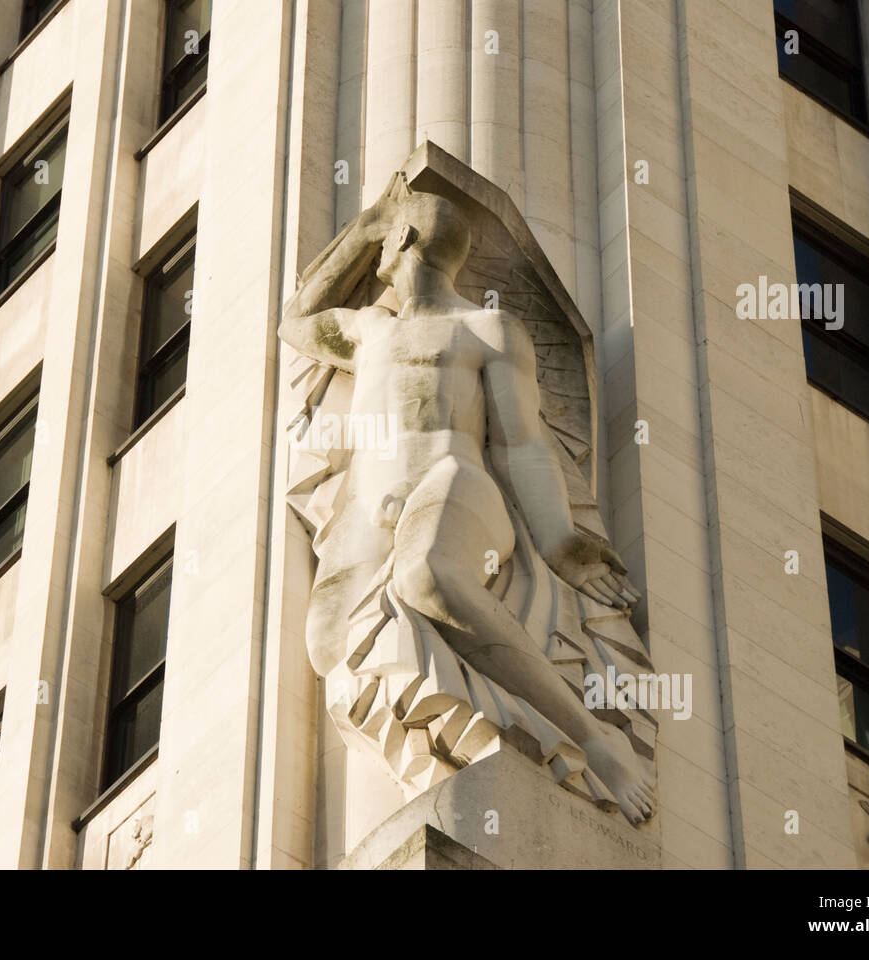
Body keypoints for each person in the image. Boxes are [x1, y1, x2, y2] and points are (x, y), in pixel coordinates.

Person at [279, 174, 655, 823]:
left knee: (427, 573)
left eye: (384, 247)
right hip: (373, 509)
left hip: (456, 484)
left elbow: (521, 446)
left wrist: (561, 539)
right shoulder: (369, 330)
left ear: (406, 240)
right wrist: (368, 222)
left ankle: (599, 741)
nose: (377, 265)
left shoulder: (487, 329)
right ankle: (451, 753)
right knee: (329, 643)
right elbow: (294, 321)